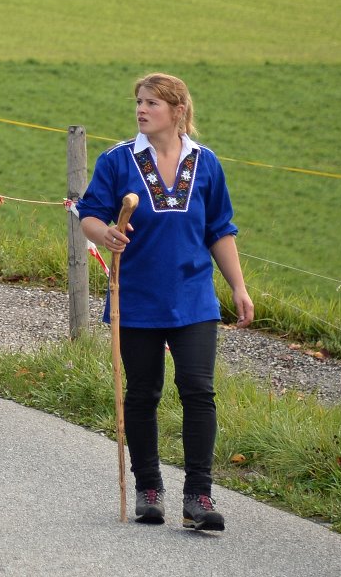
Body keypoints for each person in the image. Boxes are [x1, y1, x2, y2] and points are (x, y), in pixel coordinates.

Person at [79, 72, 251, 532]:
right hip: (136, 297)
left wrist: (238, 286)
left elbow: (220, 229)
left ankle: (198, 496)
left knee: (199, 391)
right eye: (139, 101)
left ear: (177, 111)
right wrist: (106, 233)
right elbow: (90, 215)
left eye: (152, 103)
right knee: (143, 392)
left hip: (194, 298)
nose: (141, 109)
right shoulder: (117, 160)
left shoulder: (207, 163)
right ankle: (148, 488)